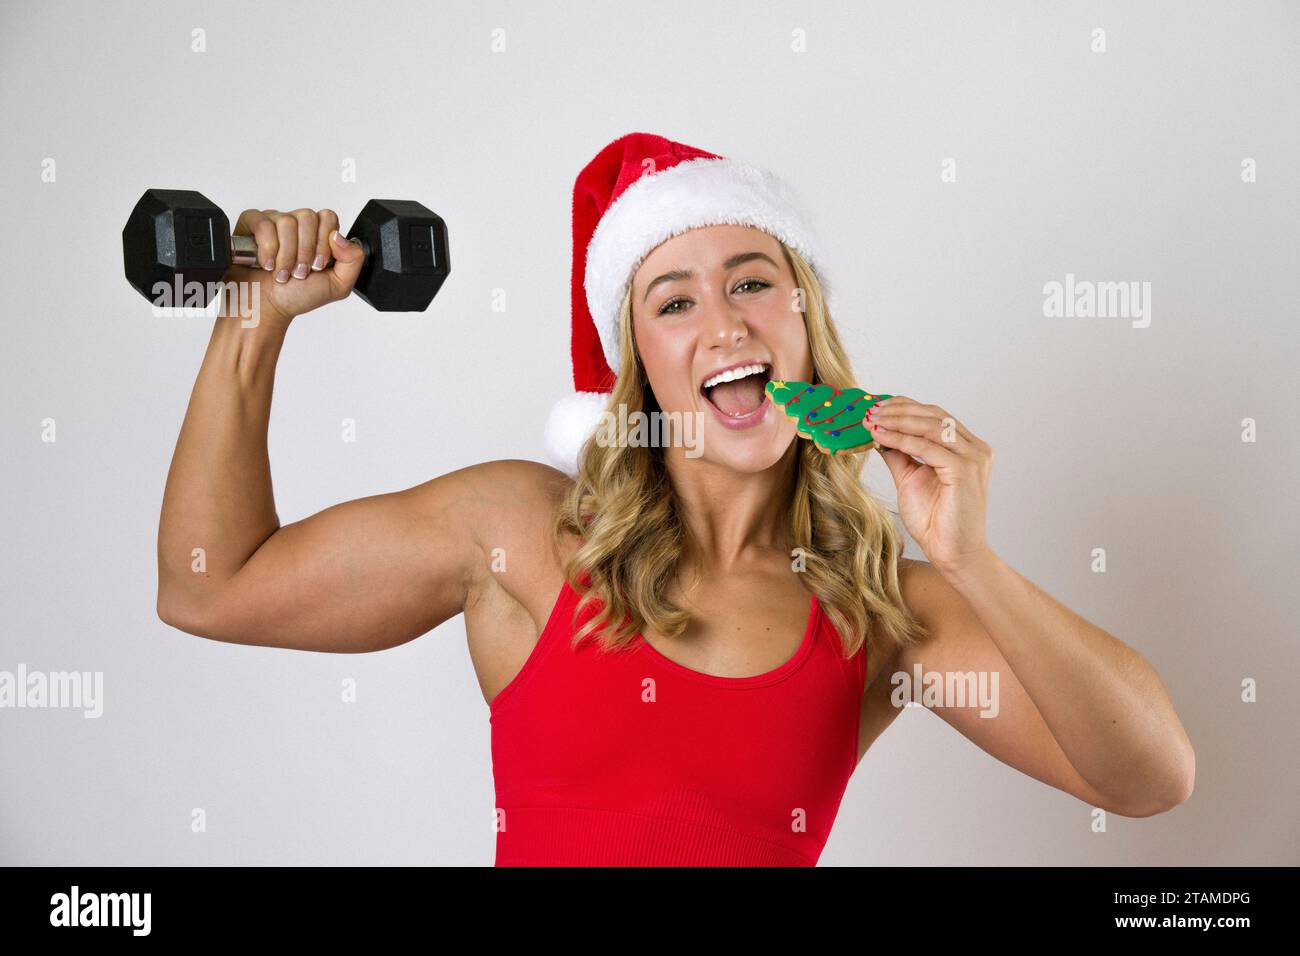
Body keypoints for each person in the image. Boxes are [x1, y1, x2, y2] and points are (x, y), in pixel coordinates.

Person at [156, 132, 1195, 866]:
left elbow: (1148, 778)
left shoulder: (883, 610)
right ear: (638, 364)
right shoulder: (517, 532)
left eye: (752, 281)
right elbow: (213, 587)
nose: (724, 324)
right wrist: (252, 319)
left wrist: (971, 558)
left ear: (803, 327)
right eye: (674, 300)